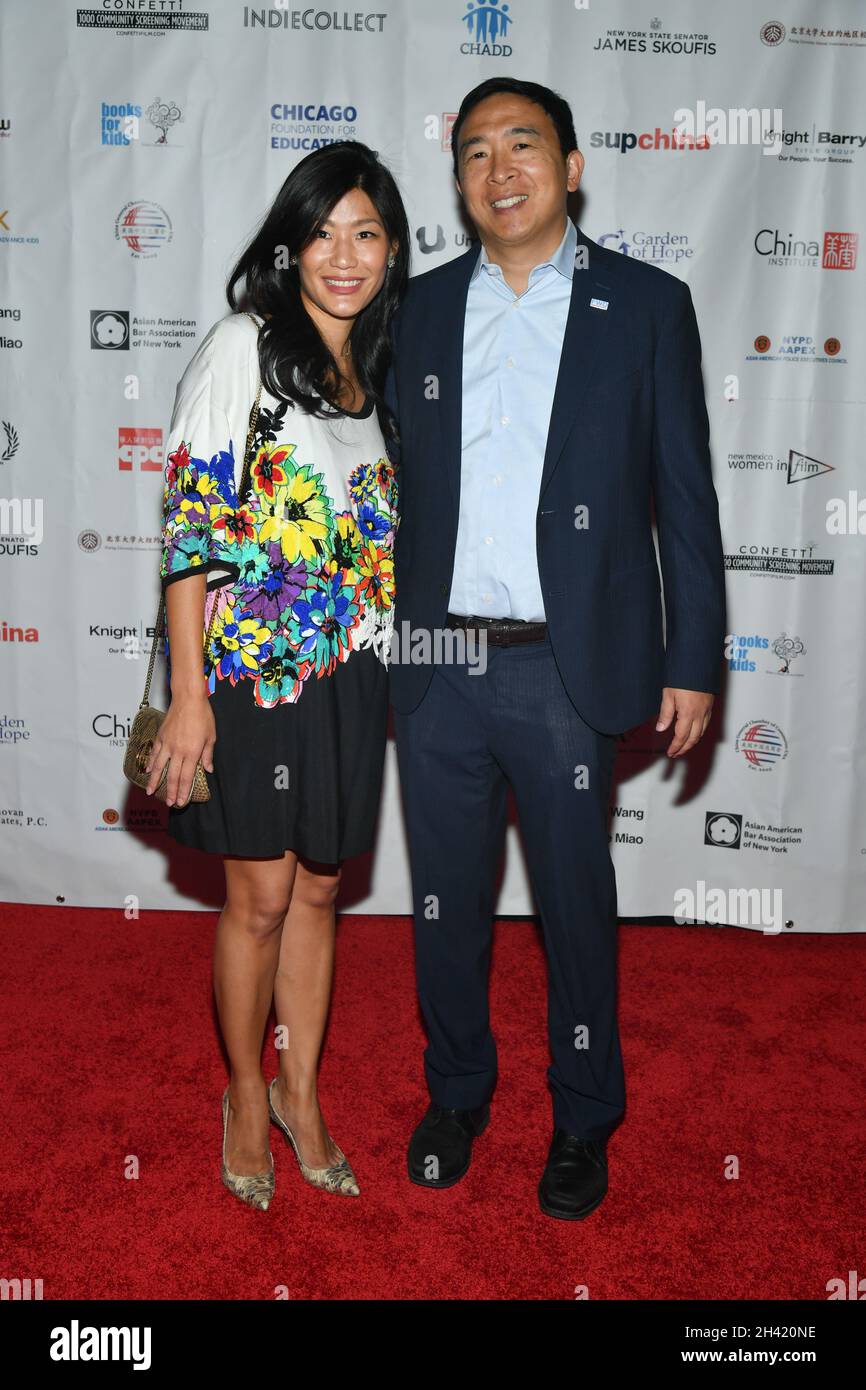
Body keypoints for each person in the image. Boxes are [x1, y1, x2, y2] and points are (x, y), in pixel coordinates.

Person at [385, 78, 726, 1219]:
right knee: (444, 902)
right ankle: (456, 1093)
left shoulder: (643, 305)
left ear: (570, 167)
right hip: (435, 664)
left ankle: (583, 1116)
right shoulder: (417, 309)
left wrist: (694, 658)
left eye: (522, 144)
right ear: (460, 179)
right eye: (475, 152)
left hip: (560, 669)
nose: (499, 170)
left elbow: (683, 496)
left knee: (575, 906)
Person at [144, 141, 408, 1210]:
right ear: (289, 244)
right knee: (256, 897)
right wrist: (191, 694)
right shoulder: (241, 348)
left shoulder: (375, 370)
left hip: (349, 670)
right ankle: (244, 1094)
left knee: (322, 886)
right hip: (252, 674)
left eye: (366, 233)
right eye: (323, 232)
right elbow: (190, 534)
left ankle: (303, 1089)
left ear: (390, 249)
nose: (343, 256)